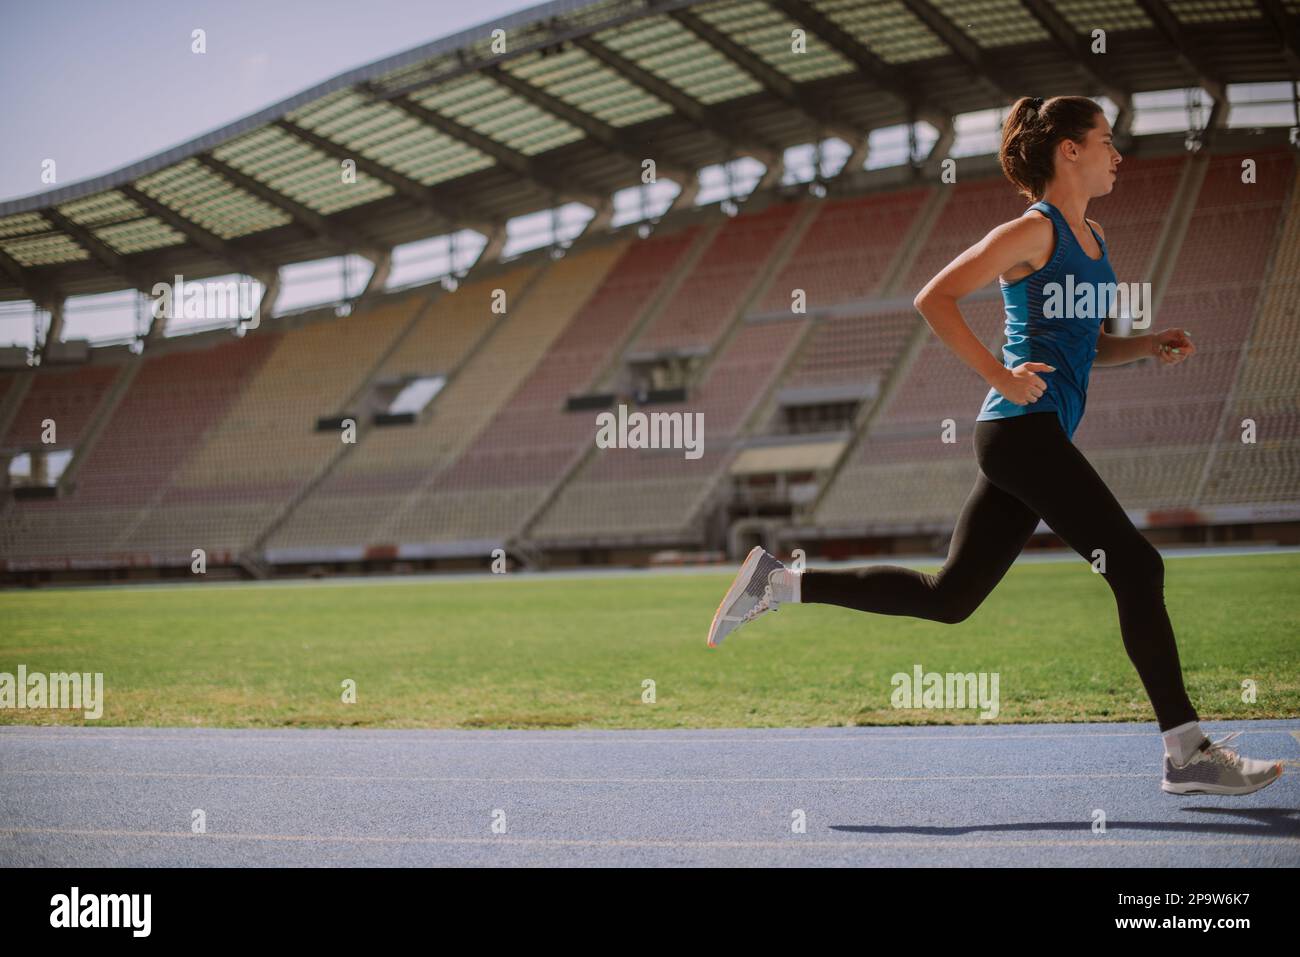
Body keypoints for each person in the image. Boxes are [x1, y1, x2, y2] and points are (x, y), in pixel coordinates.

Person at [706, 95, 1283, 797]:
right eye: (1106, 140)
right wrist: (999, 375)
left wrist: (1145, 344)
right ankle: (1185, 750)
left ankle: (781, 583)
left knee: (950, 597)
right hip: (1018, 432)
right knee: (1137, 565)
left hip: (1030, 438)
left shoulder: (1094, 238)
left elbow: (1087, 346)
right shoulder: (1031, 232)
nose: (1117, 154)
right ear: (1068, 150)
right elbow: (934, 297)